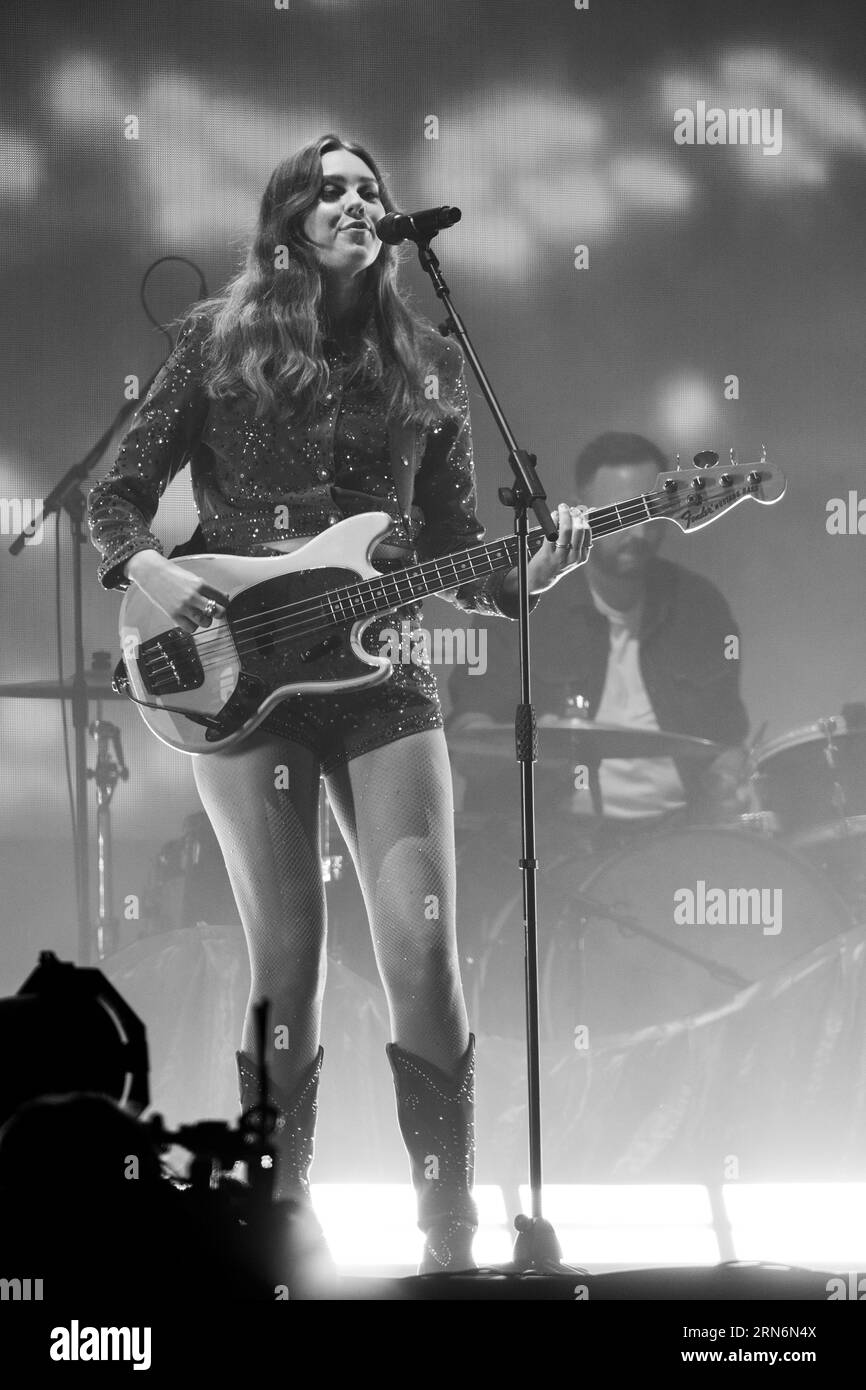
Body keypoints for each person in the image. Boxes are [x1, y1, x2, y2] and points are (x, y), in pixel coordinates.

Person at [87, 134, 592, 1273]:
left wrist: (540, 567)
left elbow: (463, 553)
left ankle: (446, 1223)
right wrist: (171, 584)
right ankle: (277, 1218)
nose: (357, 202)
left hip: (384, 680)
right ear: (288, 220)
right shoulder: (219, 342)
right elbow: (115, 499)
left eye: (370, 189)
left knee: (423, 949)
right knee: (289, 959)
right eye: (331, 188)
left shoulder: (425, 370)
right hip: (243, 674)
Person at [448, 430, 750, 835]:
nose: (638, 533)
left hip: (676, 835)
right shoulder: (522, 605)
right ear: (585, 510)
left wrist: (730, 776)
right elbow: (469, 742)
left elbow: (726, 736)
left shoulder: (699, 605)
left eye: (650, 513)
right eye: (625, 514)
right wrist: (543, 746)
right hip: (555, 837)